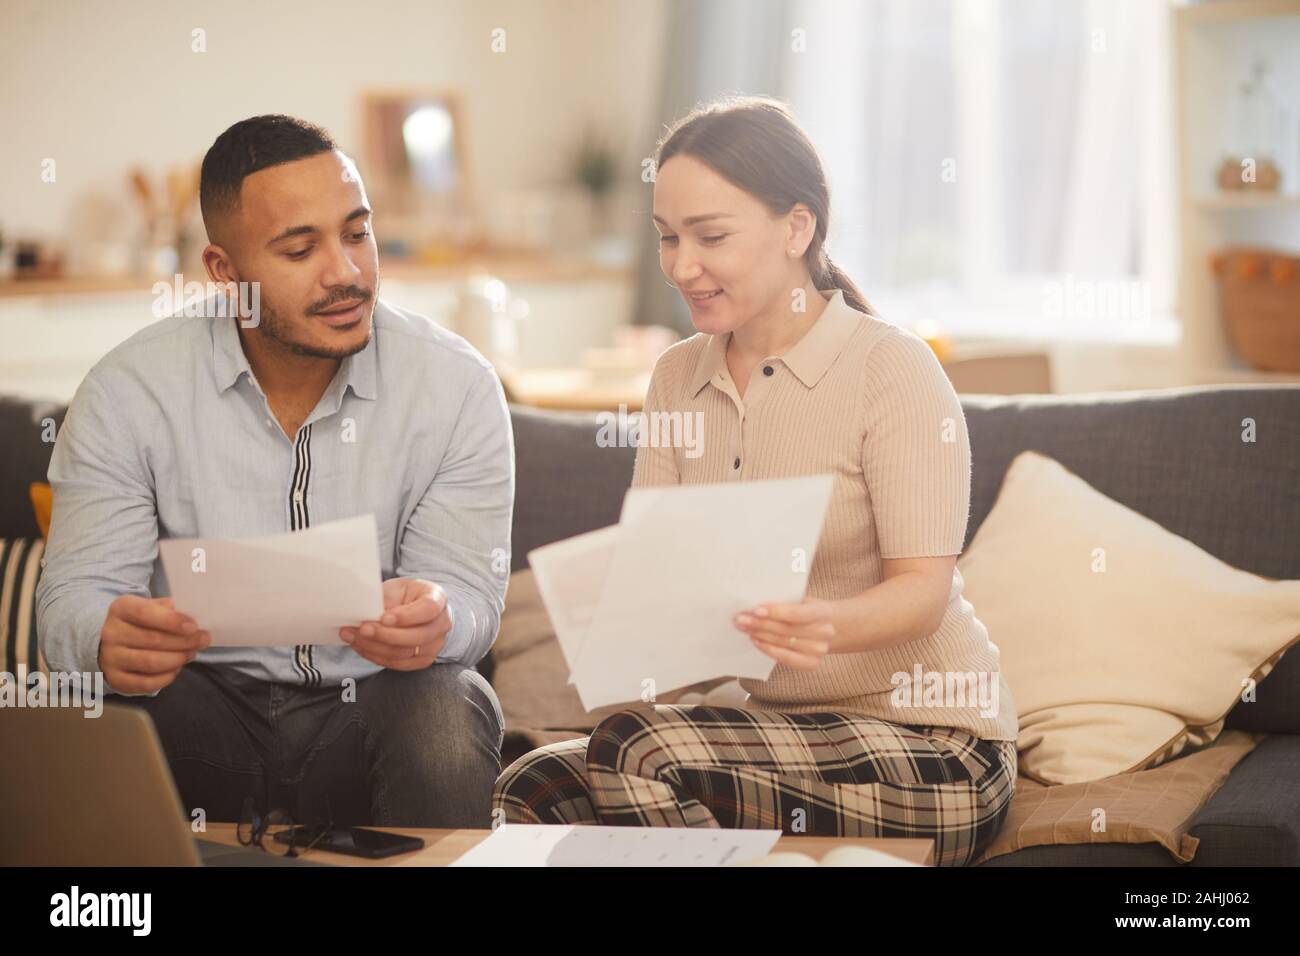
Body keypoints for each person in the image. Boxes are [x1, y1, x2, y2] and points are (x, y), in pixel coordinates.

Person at [493, 96, 1018, 866]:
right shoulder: (676, 378)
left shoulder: (890, 368)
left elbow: (923, 591)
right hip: (780, 738)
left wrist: (824, 623)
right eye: (668, 238)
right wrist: (627, 633)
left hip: (937, 745)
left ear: (796, 229)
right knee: (532, 786)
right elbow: (667, 582)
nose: (680, 266)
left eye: (710, 236)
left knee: (638, 751)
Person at [37, 115, 513, 829]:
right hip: (204, 711)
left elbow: (472, 596)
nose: (346, 273)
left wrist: (440, 618)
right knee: (117, 707)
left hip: (379, 711)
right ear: (226, 273)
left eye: (357, 233)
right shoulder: (127, 391)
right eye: (300, 250)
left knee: (446, 702)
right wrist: (104, 636)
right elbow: (72, 602)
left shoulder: (458, 386)